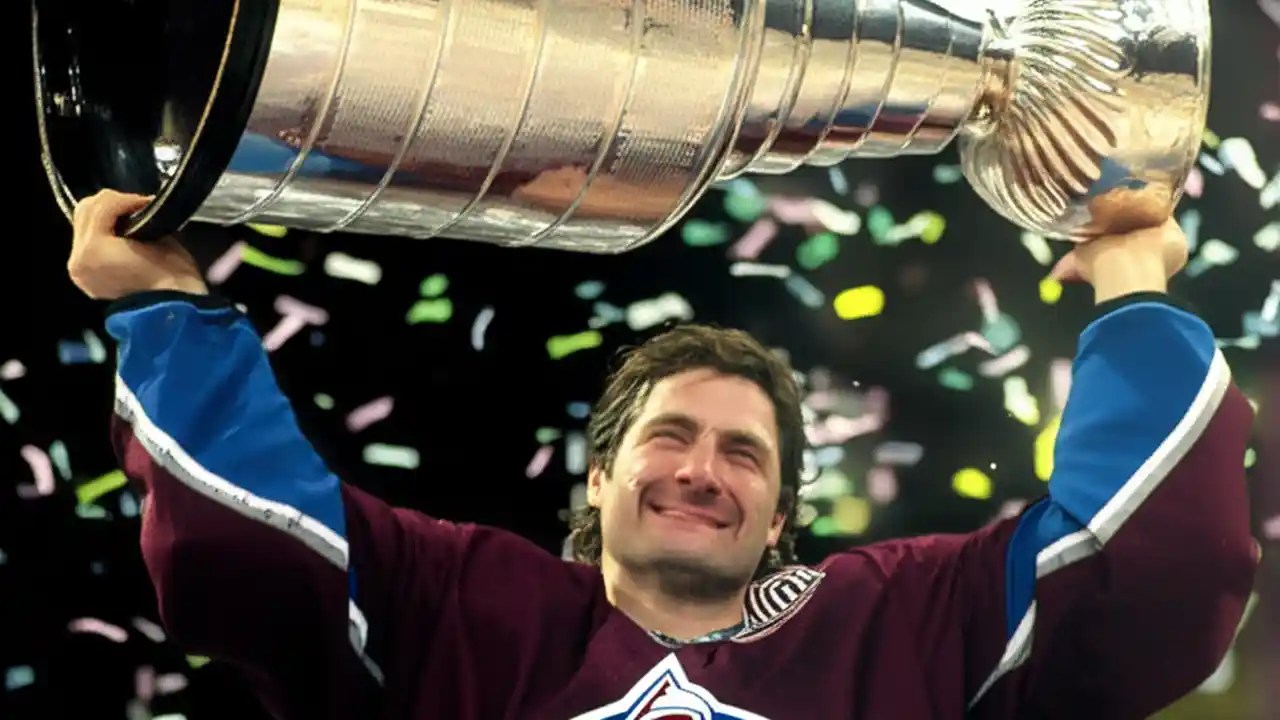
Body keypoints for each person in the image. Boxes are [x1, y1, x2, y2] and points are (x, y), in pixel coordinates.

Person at [67, 190, 1259, 720]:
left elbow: (1147, 556)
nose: (700, 469)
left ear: (783, 510)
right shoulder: (465, 602)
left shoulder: (896, 620)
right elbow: (243, 540)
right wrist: (173, 309)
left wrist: (1129, 285)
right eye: (670, 437)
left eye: (743, 454)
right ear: (596, 477)